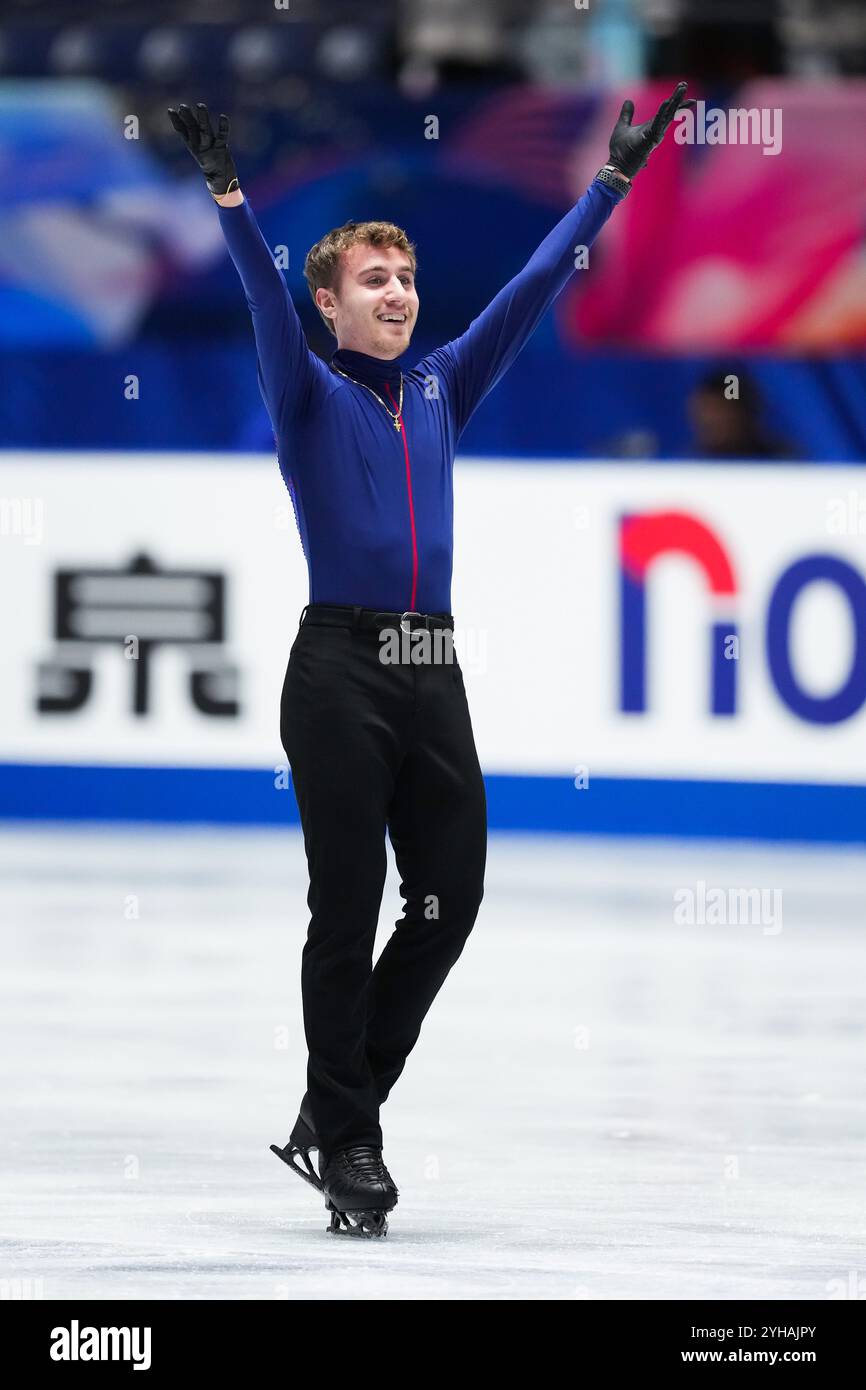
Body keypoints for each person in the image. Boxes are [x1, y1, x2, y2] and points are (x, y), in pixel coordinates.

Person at [168, 83, 692, 1237]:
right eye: (372, 280)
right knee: (344, 908)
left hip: (431, 672)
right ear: (330, 302)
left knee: (448, 901)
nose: (397, 294)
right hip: (339, 675)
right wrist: (229, 195)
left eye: (404, 280)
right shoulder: (303, 388)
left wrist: (608, 186)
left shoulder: (440, 385)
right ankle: (349, 1138)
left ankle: (335, 1096)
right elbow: (259, 291)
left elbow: (529, 288)